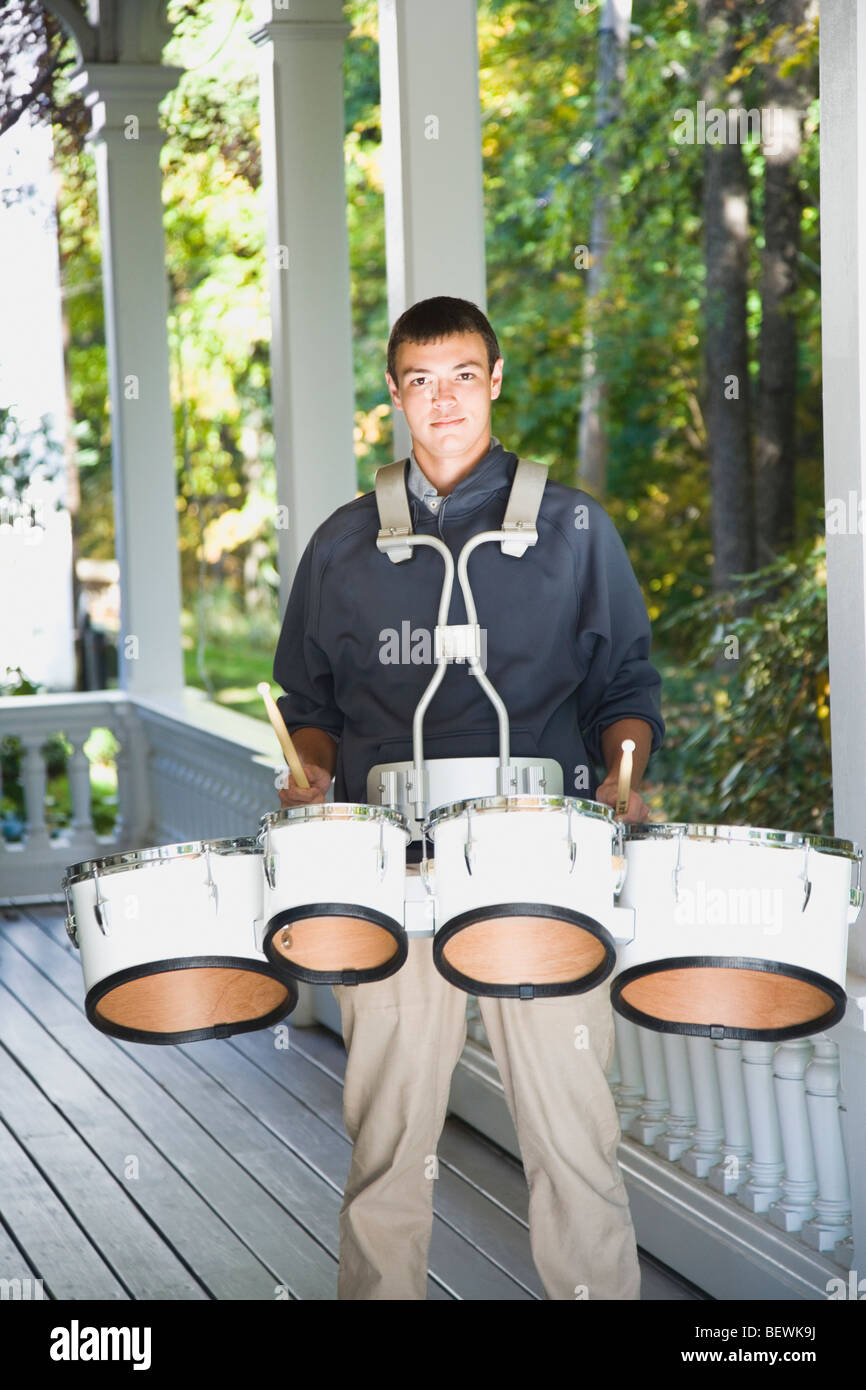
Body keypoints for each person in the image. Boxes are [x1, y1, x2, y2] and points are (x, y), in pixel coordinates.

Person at [272, 295, 664, 1300]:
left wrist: (625, 774)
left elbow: (624, 689)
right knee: (386, 1143)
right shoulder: (341, 543)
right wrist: (309, 769)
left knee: (573, 1142)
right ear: (394, 394)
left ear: (492, 381)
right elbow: (306, 702)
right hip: (388, 866)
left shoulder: (576, 529)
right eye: (417, 379)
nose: (439, 398)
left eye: (459, 376)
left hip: (548, 866)